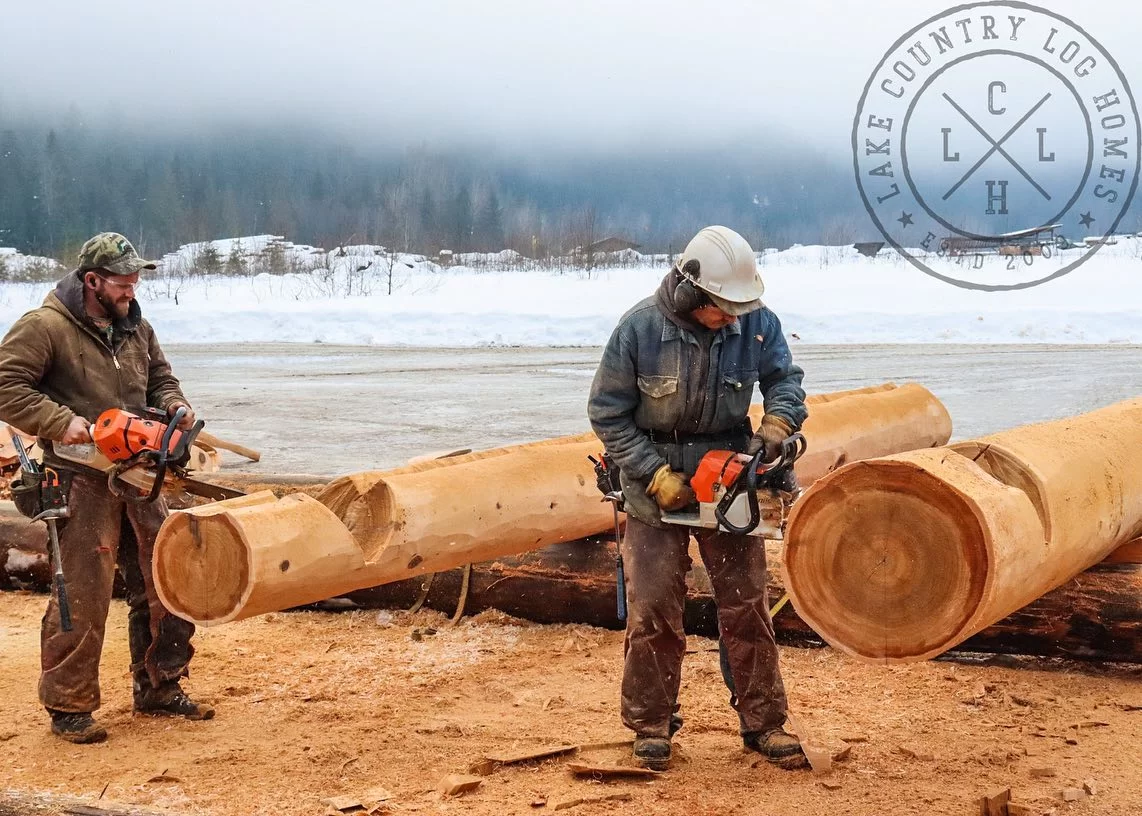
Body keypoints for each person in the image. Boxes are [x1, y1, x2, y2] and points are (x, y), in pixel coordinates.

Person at [587, 225, 808, 771]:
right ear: (692, 293)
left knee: (747, 606)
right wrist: (652, 471)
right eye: (723, 309)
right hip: (652, 485)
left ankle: (764, 723)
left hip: (729, 480)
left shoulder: (755, 322)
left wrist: (779, 422)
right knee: (656, 607)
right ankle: (651, 724)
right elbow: (607, 414)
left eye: (740, 308)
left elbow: (785, 378)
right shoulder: (639, 329)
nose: (734, 318)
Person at [0, 232, 214, 744]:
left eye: (136, 279)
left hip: (140, 472)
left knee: (163, 578)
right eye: (122, 281)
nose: (131, 289)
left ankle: (160, 685)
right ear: (91, 280)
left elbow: (160, 379)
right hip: (77, 476)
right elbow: (7, 386)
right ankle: (68, 703)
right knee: (83, 589)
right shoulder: (45, 326)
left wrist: (174, 405)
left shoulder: (136, 327)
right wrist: (60, 421)